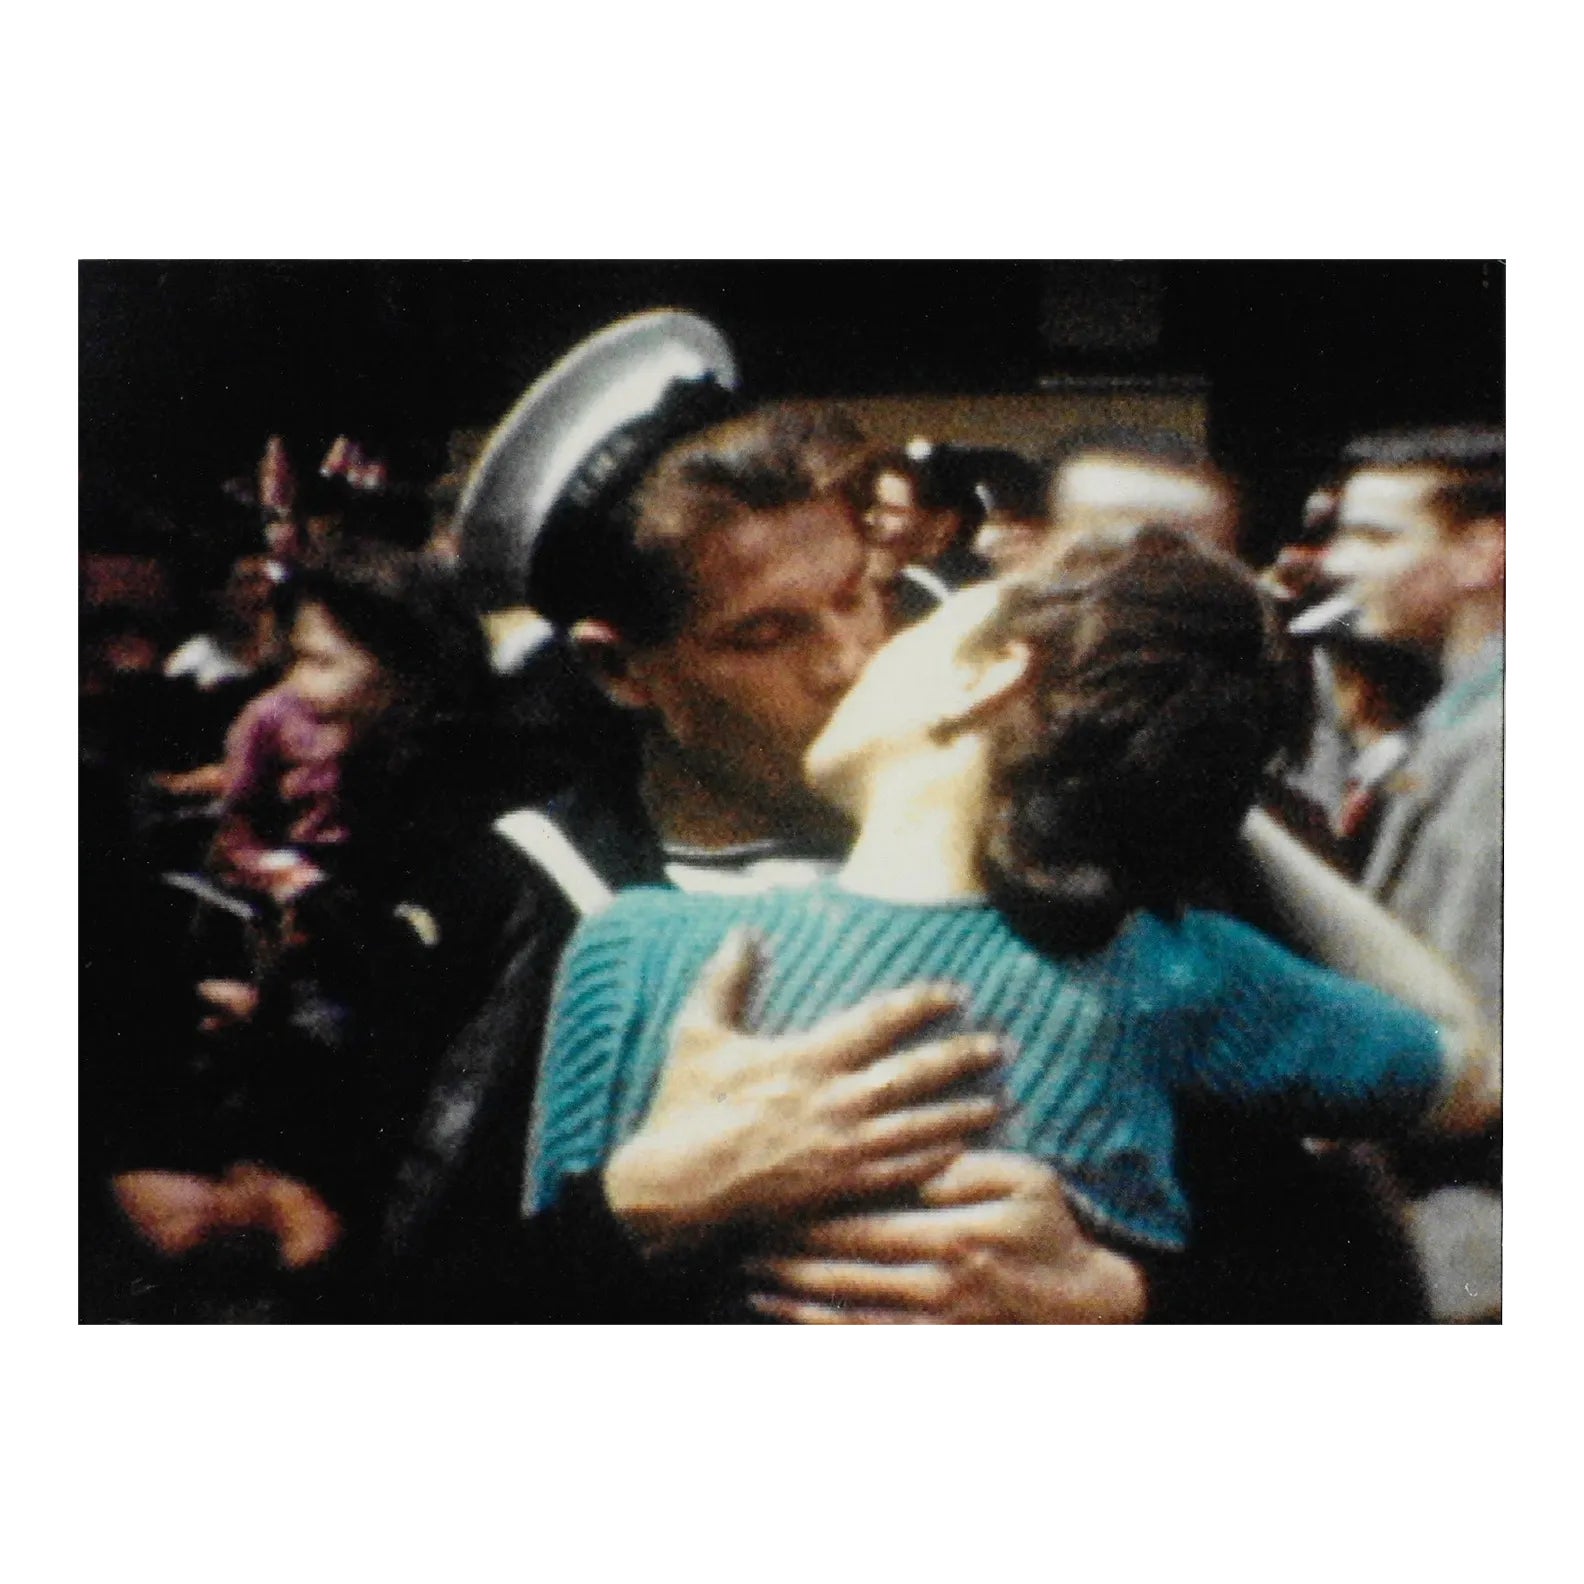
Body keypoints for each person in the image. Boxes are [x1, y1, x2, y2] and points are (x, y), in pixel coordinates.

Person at [525, 529, 1498, 1320]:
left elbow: (514, 1302)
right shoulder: (1173, 970)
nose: (862, 653)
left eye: (919, 624)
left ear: (985, 680)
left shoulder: (639, 948)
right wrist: (1211, 785)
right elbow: (1475, 1073)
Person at [1317, 425, 1504, 1321]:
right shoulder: (1459, 728)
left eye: (1380, 537)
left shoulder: (1505, 752)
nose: (1342, 564)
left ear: (1486, 551)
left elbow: (1484, 1051)